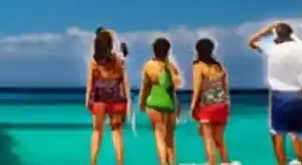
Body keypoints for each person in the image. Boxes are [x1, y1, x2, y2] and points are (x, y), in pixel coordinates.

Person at [248, 21, 302, 165]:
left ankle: (282, 163)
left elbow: (252, 42)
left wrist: (267, 29)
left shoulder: (272, 48)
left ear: (275, 36)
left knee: (277, 134)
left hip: (280, 95)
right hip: (300, 94)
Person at [86, 28, 129, 165]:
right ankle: (120, 162)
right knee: (117, 132)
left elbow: (90, 82)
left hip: (98, 101)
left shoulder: (94, 62)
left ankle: (93, 161)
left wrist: (87, 99)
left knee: (97, 131)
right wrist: (127, 101)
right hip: (117, 101)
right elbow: (125, 82)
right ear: (110, 45)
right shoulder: (119, 62)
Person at [138, 37, 182, 165]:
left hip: (154, 103)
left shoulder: (149, 66)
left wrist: (141, 103)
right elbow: (177, 86)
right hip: (170, 103)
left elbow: (145, 87)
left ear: (154, 50)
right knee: (170, 140)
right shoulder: (171, 67)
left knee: (159, 137)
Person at [189, 38, 231, 165]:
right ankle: (225, 162)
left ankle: (211, 162)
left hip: (207, 105)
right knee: (219, 138)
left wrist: (192, 107)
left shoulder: (198, 66)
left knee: (208, 138)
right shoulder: (219, 66)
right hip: (222, 104)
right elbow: (226, 87)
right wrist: (227, 105)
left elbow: (197, 88)